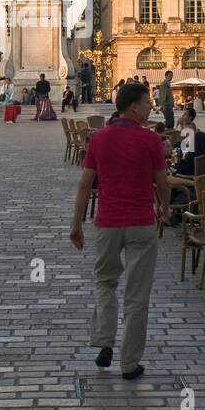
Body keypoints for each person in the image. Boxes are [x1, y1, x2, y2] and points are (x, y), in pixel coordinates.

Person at [69, 81, 169, 380]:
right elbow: (162, 181)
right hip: (141, 222)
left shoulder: (99, 139)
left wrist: (76, 223)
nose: (151, 106)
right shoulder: (150, 140)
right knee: (137, 295)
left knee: (105, 282)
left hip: (108, 223)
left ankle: (104, 340)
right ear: (134, 107)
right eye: (147, 102)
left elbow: (86, 183)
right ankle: (129, 363)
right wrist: (164, 207)